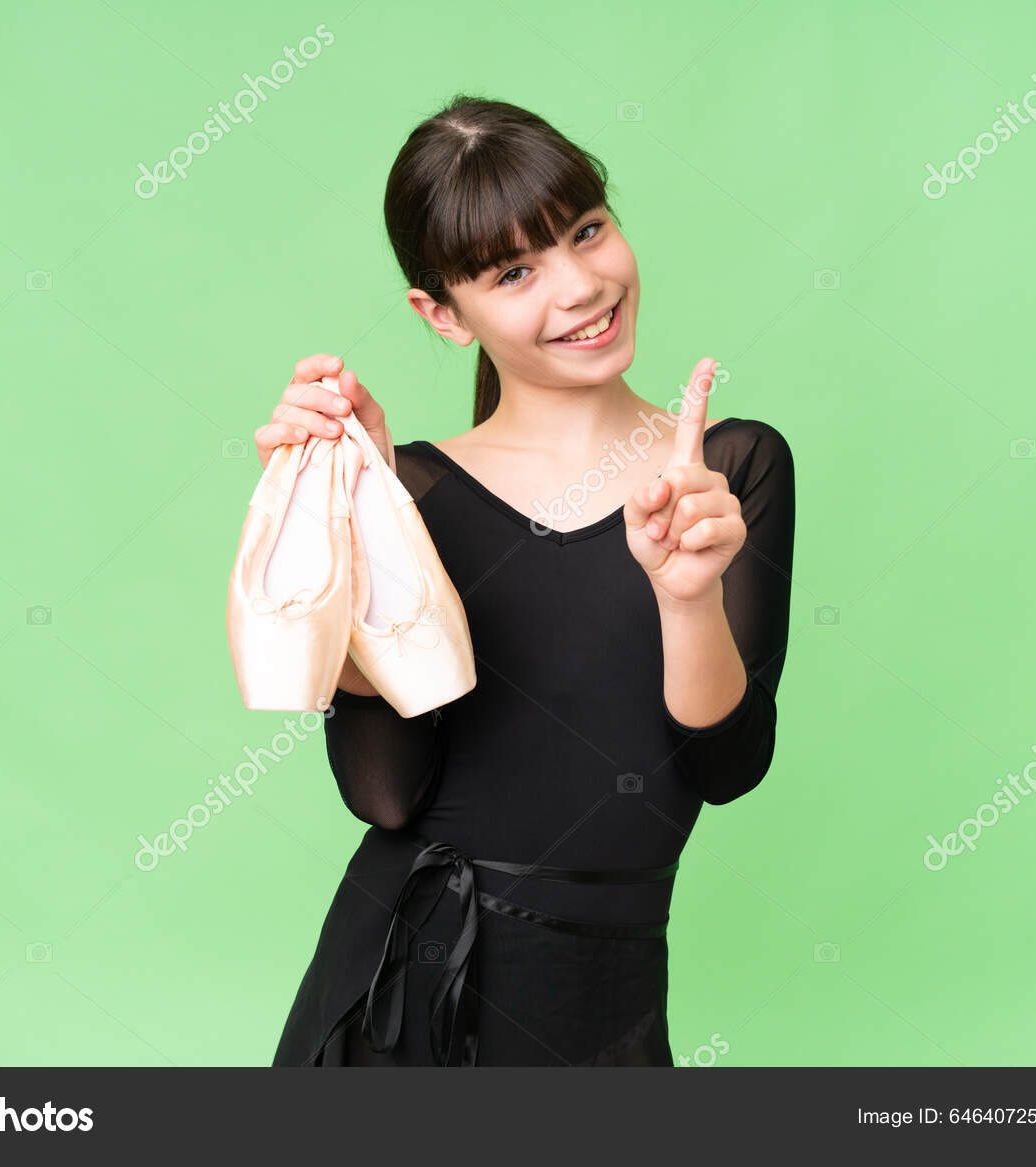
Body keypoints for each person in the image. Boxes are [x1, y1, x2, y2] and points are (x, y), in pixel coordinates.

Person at [250, 95, 796, 1066]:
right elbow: (384, 795)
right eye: (514, 271)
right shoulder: (412, 490)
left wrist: (686, 595)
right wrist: (367, 531)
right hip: (408, 999)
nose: (581, 285)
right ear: (442, 315)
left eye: (587, 230)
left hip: (606, 996)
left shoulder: (728, 468)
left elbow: (727, 767)